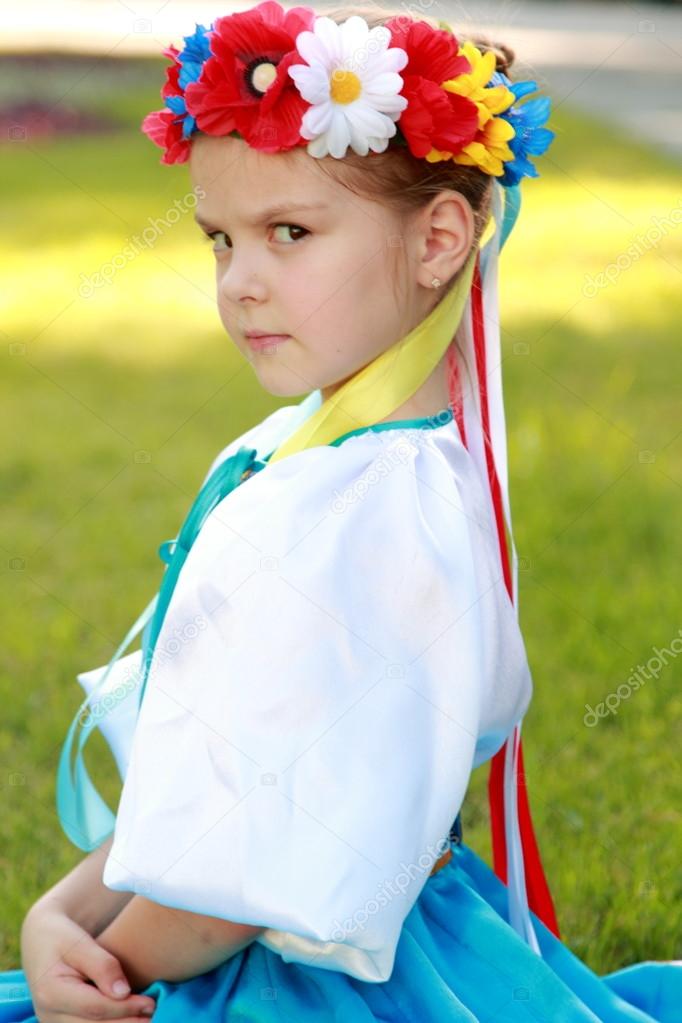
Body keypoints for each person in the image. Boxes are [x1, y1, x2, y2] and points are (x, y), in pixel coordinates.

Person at [2, 3, 679, 1020]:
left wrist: (107, 964)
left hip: (292, 972)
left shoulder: (364, 523)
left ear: (438, 240)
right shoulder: (320, 455)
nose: (241, 282)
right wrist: (63, 910)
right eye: (220, 239)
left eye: (290, 233)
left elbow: (246, 875)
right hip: (298, 927)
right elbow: (217, 785)